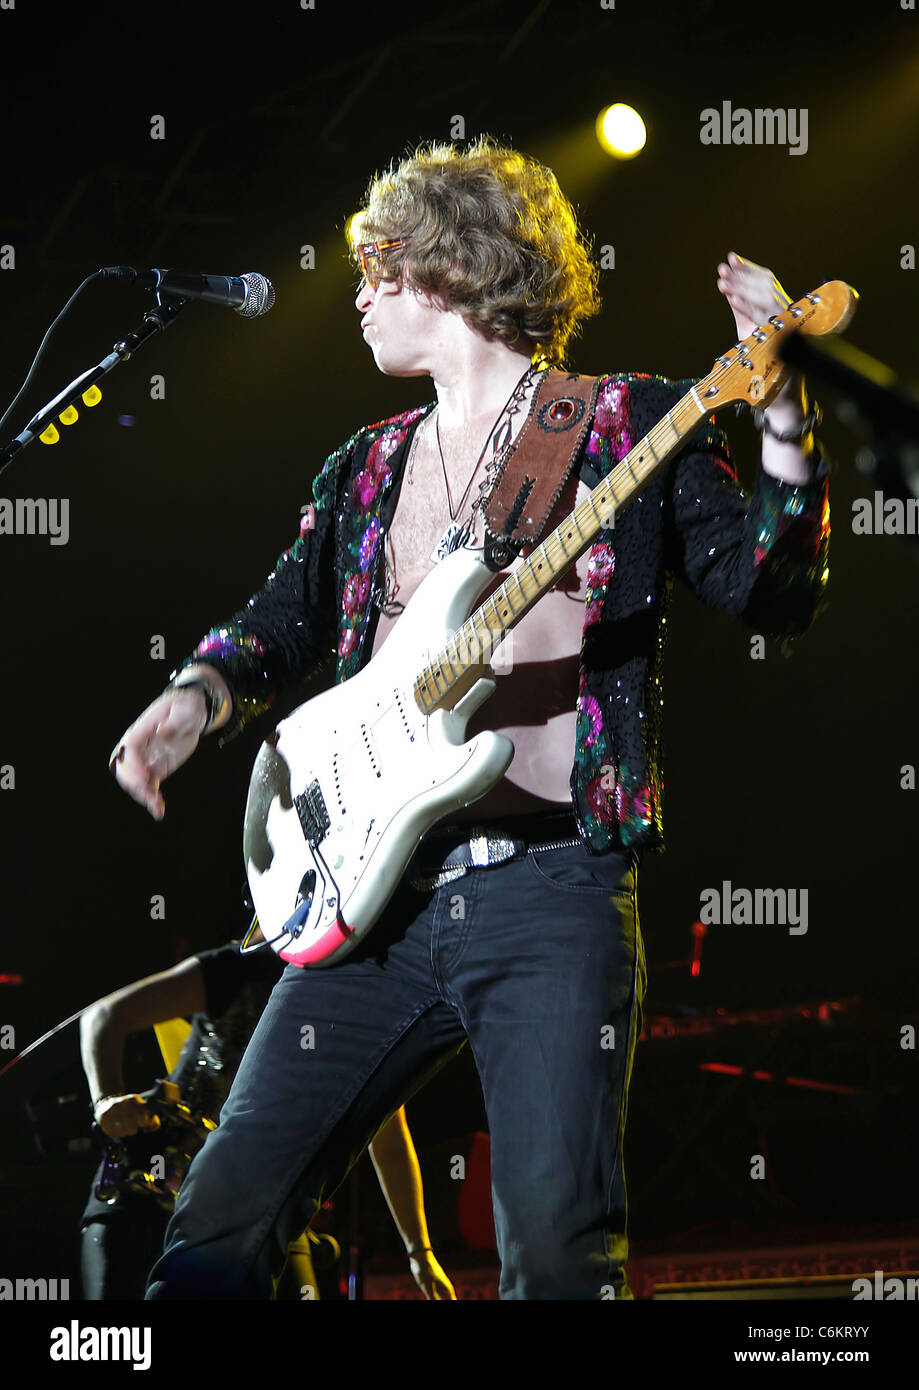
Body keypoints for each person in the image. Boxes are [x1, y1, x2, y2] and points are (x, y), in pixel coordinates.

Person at [110, 138, 829, 1299]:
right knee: (216, 1233)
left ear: (444, 269)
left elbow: (771, 588)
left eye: (375, 269)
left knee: (553, 1255)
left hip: (549, 891)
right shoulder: (365, 467)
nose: (354, 296)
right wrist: (194, 697)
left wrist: (784, 405)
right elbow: (277, 622)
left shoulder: (613, 424)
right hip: (370, 905)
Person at [80, 941, 456, 1300]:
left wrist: (418, 1251)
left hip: (262, 1207)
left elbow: (389, 1139)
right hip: (146, 1194)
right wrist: (107, 1099)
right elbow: (103, 1016)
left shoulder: (360, 1001)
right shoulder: (241, 966)